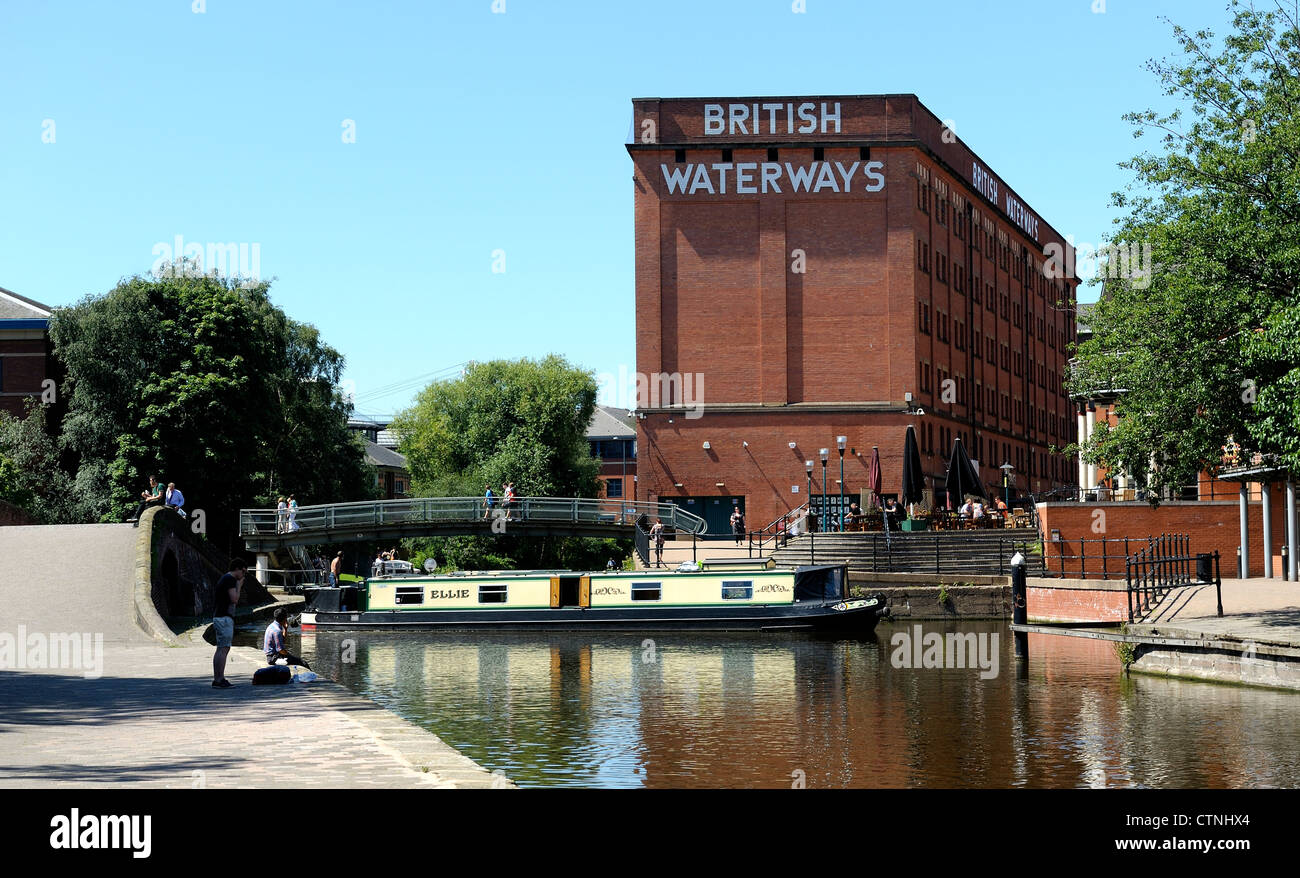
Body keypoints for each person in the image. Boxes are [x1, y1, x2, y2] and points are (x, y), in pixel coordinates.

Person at [212, 559, 246, 689]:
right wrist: (239, 585)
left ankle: (218, 679)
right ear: (237, 569)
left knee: (221, 648)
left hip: (220, 617)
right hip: (224, 618)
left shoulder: (225, 578)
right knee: (223, 648)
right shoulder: (230, 579)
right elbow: (234, 599)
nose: (243, 574)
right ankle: (219, 679)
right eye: (243, 571)